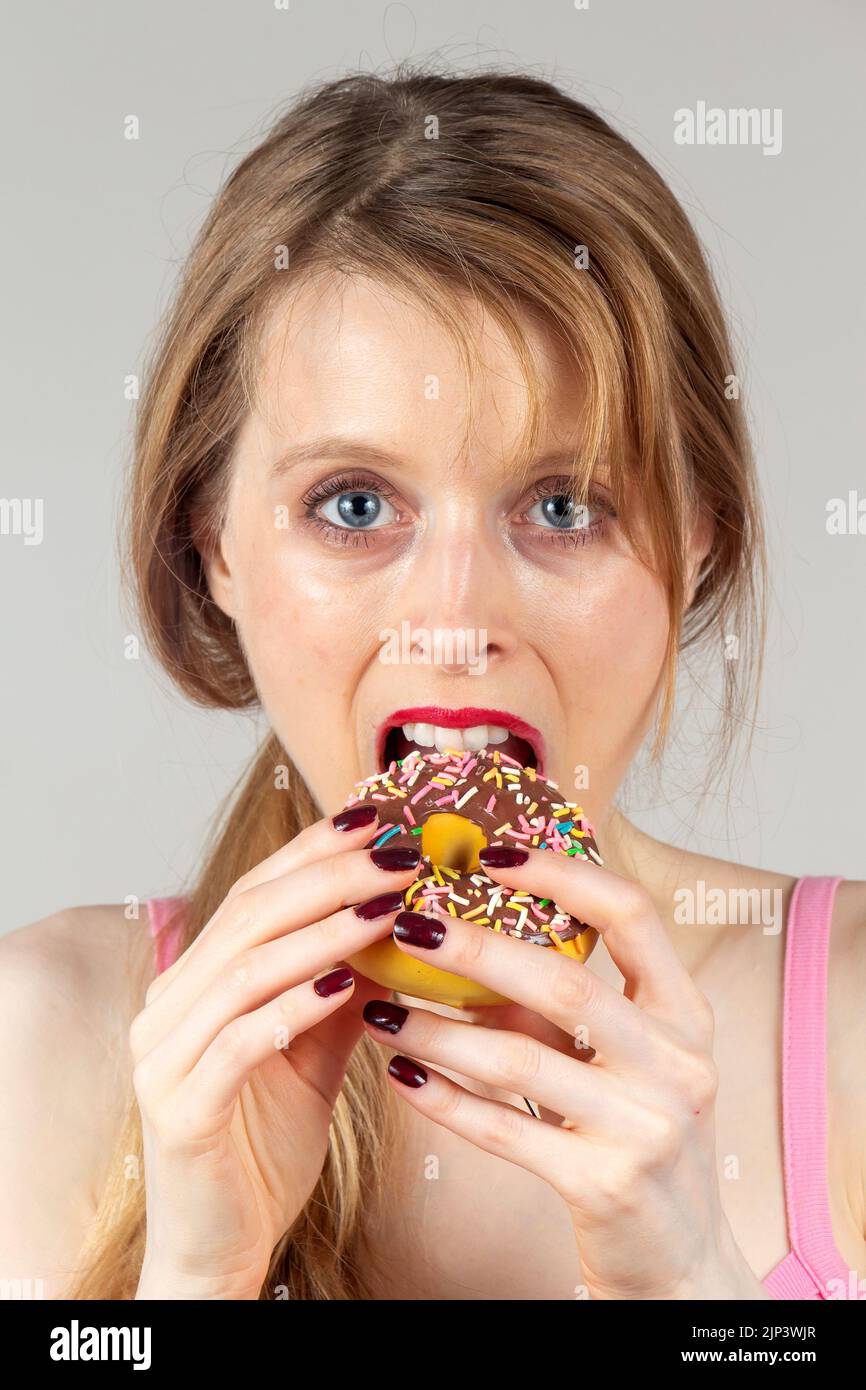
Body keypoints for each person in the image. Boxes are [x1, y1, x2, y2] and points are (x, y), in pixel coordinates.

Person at [2, 67, 864, 1301]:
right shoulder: (38, 1045)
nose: (455, 623)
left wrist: (697, 1302)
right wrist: (198, 1275)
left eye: (563, 505)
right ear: (216, 546)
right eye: (352, 505)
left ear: (696, 542)